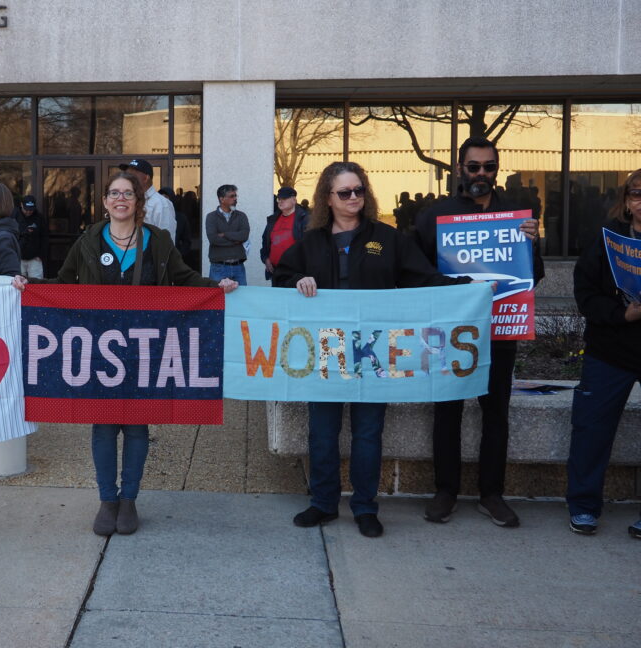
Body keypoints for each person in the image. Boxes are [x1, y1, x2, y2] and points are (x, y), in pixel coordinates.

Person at [13, 171, 238, 536]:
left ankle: (129, 498)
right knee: (103, 426)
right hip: (99, 352)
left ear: (138, 201)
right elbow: (65, 283)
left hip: (145, 352)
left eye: (128, 194)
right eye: (114, 194)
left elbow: (184, 278)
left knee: (136, 427)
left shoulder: (158, 240)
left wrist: (216, 286)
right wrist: (31, 287)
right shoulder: (88, 240)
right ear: (104, 201)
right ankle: (108, 500)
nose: (121, 199)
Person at [274, 162, 469, 539]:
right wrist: (298, 279)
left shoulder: (388, 238)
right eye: (344, 192)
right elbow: (281, 277)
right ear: (327, 198)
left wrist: (467, 288)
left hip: (374, 351)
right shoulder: (312, 242)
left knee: (368, 433)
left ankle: (365, 507)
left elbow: (423, 279)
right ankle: (323, 504)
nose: (353, 198)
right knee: (322, 433)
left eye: (358, 190)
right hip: (327, 350)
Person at [413, 136, 543, 529]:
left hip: (501, 326)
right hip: (452, 327)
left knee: (495, 412)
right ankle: (445, 491)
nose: (481, 174)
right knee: (448, 409)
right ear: (459, 169)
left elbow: (533, 275)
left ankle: (491, 494)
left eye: (489, 167)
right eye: (474, 167)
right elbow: (417, 271)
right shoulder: (435, 216)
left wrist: (532, 245)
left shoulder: (519, 215)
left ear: (496, 169)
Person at [566, 169, 641, 539]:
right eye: (637, 194)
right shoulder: (606, 240)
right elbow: (585, 294)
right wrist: (622, 314)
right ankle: (583, 506)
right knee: (591, 430)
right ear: (627, 201)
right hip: (610, 349)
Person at [205, 184, 250, 285]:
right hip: (219, 267)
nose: (235, 199)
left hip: (238, 266)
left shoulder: (241, 216)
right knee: (218, 298)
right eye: (231, 196)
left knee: (241, 298)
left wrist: (224, 234)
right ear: (222, 199)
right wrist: (236, 241)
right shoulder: (211, 217)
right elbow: (213, 239)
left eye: (235, 196)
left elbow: (244, 236)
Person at [260, 186, 308, 281]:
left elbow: (310, 248)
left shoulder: (304, 220)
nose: (280, 201)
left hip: (295, 274)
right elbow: (265, 241)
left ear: (294, 200)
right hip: (275, 271)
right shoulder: (273, 219)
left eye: (284, 198)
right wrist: (266, 259)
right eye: (279, 198)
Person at [121, 158, 176, 239]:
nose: (127, 179)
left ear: (146, 178)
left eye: (132, 175)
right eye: (126, 175)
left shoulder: (162, 204)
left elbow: (166, 241)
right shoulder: (129, 200)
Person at [15, 194, 48, 279]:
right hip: (18, 259)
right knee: (18, 287)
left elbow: (44, 237)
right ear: (21, 205)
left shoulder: (39, 218)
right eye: (26, 209)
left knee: (37, 286)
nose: (29, 211)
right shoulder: (14, 217)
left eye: (31, 209)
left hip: (35, 259)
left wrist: (41, 255)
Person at [159, 187, 192, 261]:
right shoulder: (153, 214)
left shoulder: (181, 218)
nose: (163, 200)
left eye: (166, 197)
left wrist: (179, 255)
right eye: (161, 197)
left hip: (174, 259)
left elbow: (187, 240)